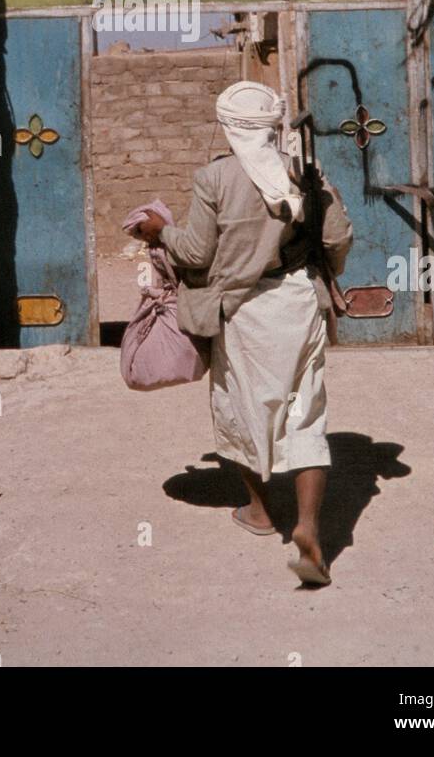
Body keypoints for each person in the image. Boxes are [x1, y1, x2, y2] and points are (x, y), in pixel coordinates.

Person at [135, 81, 352, 586]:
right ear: (272, 126)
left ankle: (260, 512)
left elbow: (194, 253)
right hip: (300, 303)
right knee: (305, 414)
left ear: (230, 127)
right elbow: (338, 237)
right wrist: (320, 274)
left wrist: (158, 231)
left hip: (244, 311)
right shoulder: (305, 173)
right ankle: (309, 527)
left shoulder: (214, 178)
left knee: (240, 408)